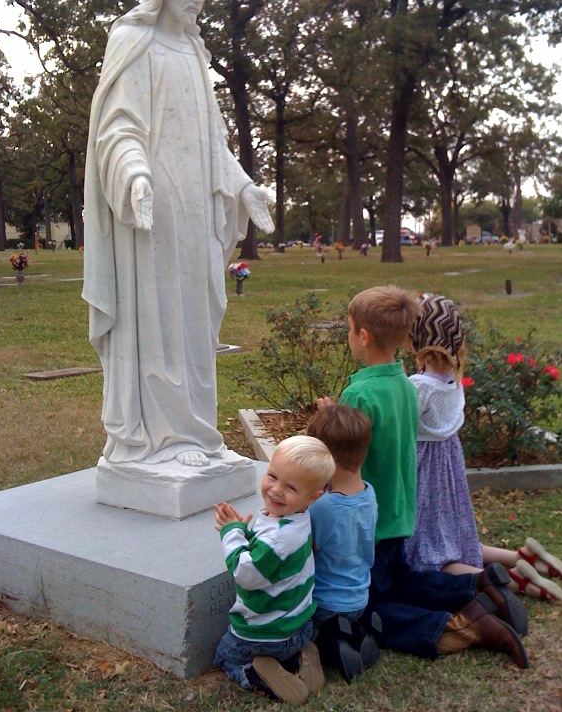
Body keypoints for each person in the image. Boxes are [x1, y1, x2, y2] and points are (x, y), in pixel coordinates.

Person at [82, 0, 274, 468]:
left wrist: (240, 186)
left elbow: (211, 138)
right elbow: (116, 126)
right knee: (157, 318)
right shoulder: (132, 40)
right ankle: (159, 438)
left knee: (192, 319)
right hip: (150, 209)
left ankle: (194, 432)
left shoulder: (194, 53)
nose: (198, 2)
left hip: (193, 207)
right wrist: (134, 174)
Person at [317, 285, 529, 668]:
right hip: (401, 513)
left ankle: (453, 627)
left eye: (349, 328)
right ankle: (475, 586)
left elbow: (347, 457)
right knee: (401, 579)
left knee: (371, 605)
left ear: (363, 336)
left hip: (372, 520)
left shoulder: (359, 394)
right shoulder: (404, 384)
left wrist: (331, 418)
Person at [404, 293, 562, 602]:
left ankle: (515, 579)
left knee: (433, 558)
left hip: (425, 476)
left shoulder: (418, 387)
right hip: (448, 473)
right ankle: (526, 557)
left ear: (416, 340)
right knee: (455, 540)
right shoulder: (452, 379)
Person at [213, 436, 336, 704]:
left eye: (290, 487)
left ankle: (256, 677)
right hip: (300, 626)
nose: (276, 490)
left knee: (224, 654)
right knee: (291, 640)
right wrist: (245, 532)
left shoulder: (277, 540)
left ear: (313, 497)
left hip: (264, 634)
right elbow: (271, 555)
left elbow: (246, 574)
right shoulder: (297, 519)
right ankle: (299, 655)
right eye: (272, 476)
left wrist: (230, 534)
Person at [306, 404, 380, 682]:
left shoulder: (323, 507)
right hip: (361, 597)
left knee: (304, 633)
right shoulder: (369, 494)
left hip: (326, 602)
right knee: (347, 619)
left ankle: (333, 645)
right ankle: (360, 632)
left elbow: (309, 546)